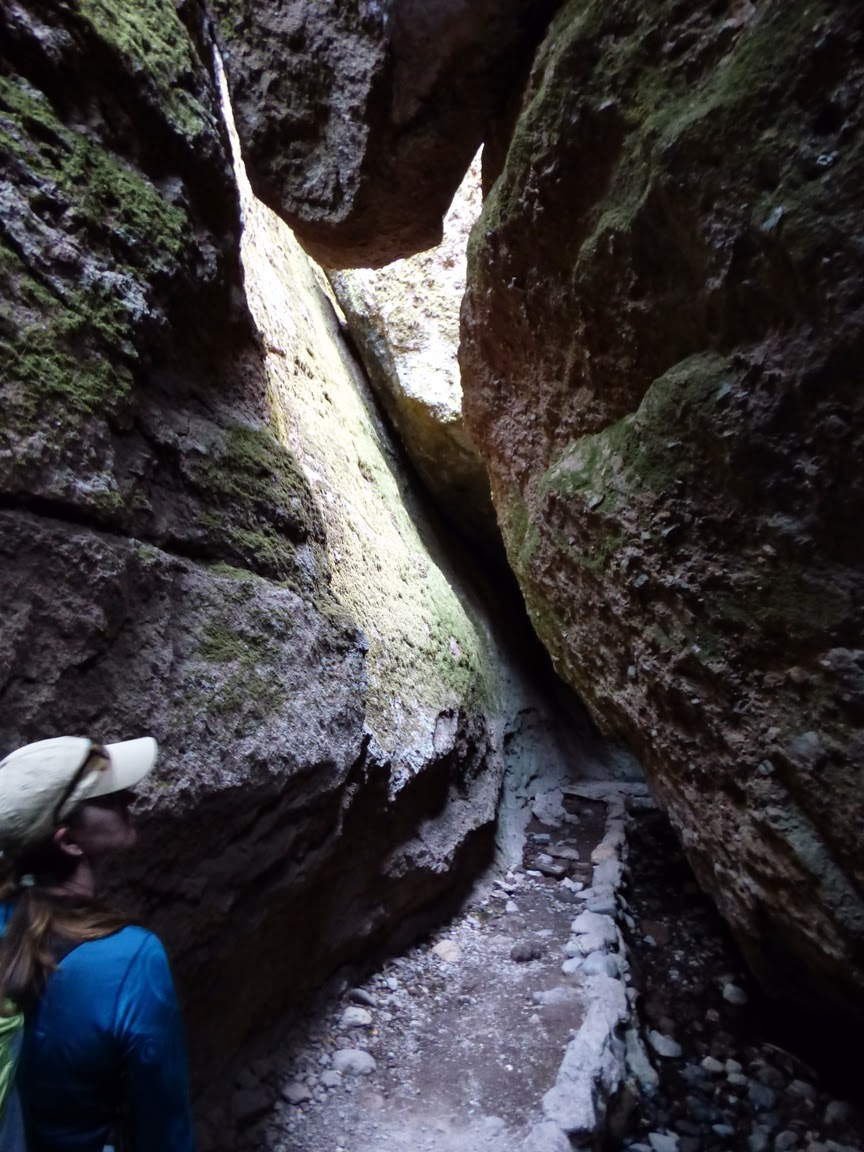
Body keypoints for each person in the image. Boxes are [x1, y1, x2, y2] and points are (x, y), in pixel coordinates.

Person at [0, 736, 195, 1152]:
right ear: (69, 841)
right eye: (108, 795)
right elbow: (164, 1123)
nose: (131, 796)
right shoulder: (131, 959)